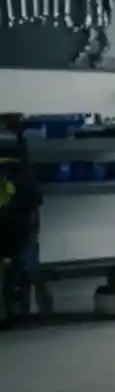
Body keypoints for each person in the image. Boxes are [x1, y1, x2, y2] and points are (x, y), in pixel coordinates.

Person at [0, 113, 41, 326]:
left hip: (16, 222)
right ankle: (22, 306)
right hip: (20, 222)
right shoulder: (21, 170)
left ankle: (19, 305)